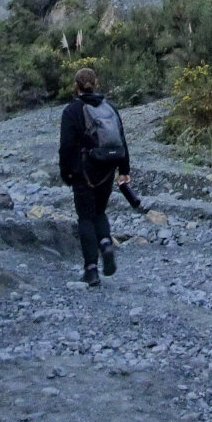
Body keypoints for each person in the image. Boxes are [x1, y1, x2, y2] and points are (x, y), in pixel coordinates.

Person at [57, 66, 131, 286]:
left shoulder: (71, 111)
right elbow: (121, 140)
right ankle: (106, 243)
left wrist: (65, 172)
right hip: (107, 169)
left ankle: (91, 270)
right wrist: (124, 170)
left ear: (76, 86)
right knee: (99, 211)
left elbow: (66, 146)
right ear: (95, 84)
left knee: (85, 217)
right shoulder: (110, 108)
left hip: (83, 172)